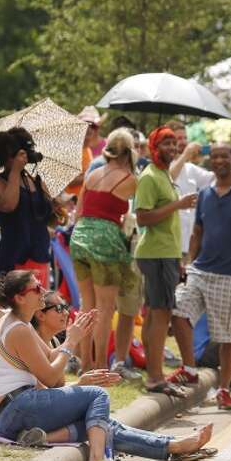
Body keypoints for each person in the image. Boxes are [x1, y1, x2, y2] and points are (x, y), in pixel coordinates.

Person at [0, 270, 214, 461]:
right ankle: (99, 459)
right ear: (20, 298)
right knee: (98, 395)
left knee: (98, 425)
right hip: (17, 409)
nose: (43, 290)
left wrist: (77, 365)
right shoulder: (18, 330)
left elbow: (51, 361)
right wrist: (71, 342)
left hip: (12, 412)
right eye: (36, 288)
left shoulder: (15, 321)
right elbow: (51, 379)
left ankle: (172, 446)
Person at [171, 143, 231, 411]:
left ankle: (224, 389)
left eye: (225, 156)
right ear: (210, 162)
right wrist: (188, 263)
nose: (220, 160)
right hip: (200, 270)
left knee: (228, 336)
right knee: (177, 310)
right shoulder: (205, 194)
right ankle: (189, 368)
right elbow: (197, 232)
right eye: (215, 157)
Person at [133, 127, 198, 396]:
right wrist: (177, 205)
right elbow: (142, 217)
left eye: (174, 143)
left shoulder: (163, 174)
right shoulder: (149, 176)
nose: (172, 147)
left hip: (166, 254)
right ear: (153, 147)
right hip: (156, 254)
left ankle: (153, 372)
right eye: (166, 143)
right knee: (161, 315)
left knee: (154, 315)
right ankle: (155, 378)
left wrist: (177, 257)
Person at [69, 128, 139, 372]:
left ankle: (85, 363)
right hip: (105, 241)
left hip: (79, 238)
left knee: (86, 305)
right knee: (105, 308)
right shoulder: (129, 179)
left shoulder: (92, 175)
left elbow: (79, 213)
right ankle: (100, 365)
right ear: (129, 152)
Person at [0, 127, 61, 275]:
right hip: (14, 257)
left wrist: (54, 209)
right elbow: (9, 205)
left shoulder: (36, 181)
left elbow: (47, 220)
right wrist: (15, 171)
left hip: (40, 255)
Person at [167, 122, 214, 259]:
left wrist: (217, 156)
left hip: (189, 241)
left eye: (185, 138)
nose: (183, 142)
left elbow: (214, 179)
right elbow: (168, 179)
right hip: (170, 241)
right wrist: (186, 154)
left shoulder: (190, 168)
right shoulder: (161, 166)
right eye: (179, 138)